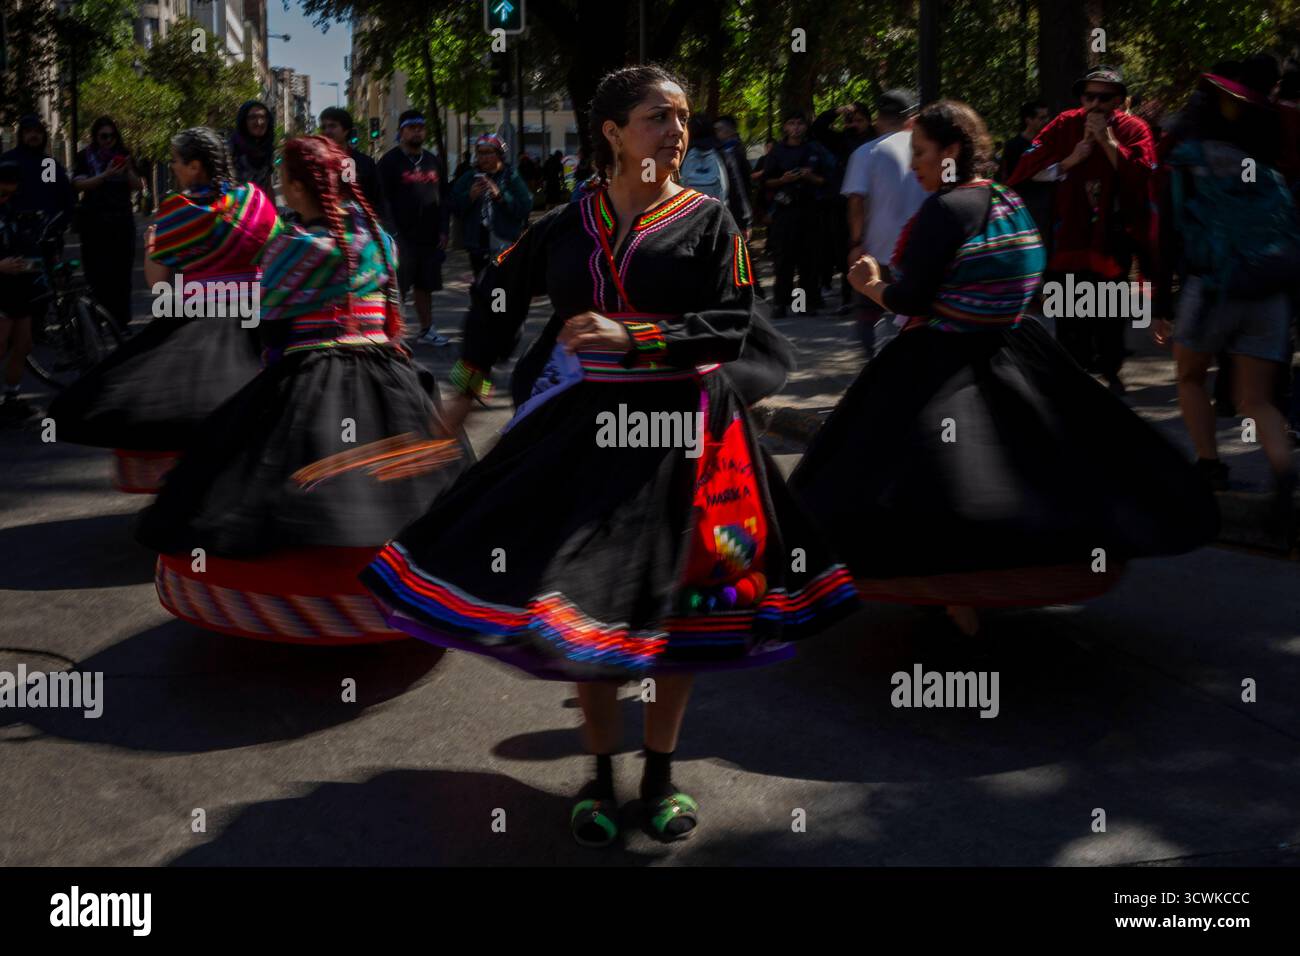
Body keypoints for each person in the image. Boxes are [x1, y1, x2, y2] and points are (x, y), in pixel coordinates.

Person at [360, 65, 857, 848]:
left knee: (682, 614)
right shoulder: (564, 224)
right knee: (581, 597)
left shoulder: (712, 221)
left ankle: (659, 774)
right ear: (615, 133)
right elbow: (499, 291)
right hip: (584, 430)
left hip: (689, 439)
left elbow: (729, 325)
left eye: (684, 118)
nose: (677, 131)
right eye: (659, 117)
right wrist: (466, 381)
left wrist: (636, 335)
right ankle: (597, 774)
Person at [792, 99, 1216, 637]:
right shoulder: (1003, 197)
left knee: (899, 475)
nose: (914, 164)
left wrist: (867, 283)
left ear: (950, 151)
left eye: (921, 153)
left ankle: (951, 595)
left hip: (938, 358)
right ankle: (971, 593)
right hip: (1014, 350)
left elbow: (910, 298)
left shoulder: (944, 211)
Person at [136, 135, 469, 643]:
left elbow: (271, 323)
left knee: (260, 481)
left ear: (294, 186)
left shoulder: (294, 247)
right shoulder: (379, 238)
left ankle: (301, 604)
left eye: (285, 179)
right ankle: (411, 596)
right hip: (388, 373)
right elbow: (389, 312)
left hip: (313, 371)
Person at [46, 128, 280, 493]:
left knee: (187, 405)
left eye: (175, 161)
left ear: (195, 166)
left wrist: (152, 244)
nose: (172, 167)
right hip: (258, 316)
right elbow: (276, 250)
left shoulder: (178, 210)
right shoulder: (254, 199)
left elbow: (157, 281)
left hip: (199, 317)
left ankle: (198, 487)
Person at [1153, 70, 1298, 521]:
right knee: (1257, 399)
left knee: (1191, 377)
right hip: (1268, 292)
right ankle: (1284, 473)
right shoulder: (1263, 168)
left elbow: (1167, 240)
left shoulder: (1185, 162)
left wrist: (1161, 307)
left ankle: (1209, 466)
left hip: (1212, 287)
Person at [1010, 66, 1157, 395]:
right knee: (1070, 309)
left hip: (1112, 235)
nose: (1095, 104)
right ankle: (1072, 374)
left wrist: (1108, 143)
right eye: (1088, 96)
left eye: (1104, 98)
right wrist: (1067, 162)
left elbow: (1143, 173)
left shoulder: (1134, 128)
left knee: (1108, 307)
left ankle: (1111, 369)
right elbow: (1024, 169)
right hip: (1069, 235)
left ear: (1118, 100)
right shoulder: (1064, 124)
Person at [841, 89, 928, 356]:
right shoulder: (929, 151)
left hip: (877, 250)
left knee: (870, 310)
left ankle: (876, 367)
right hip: (922, 249)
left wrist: (856, 242)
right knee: (917, 312)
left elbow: (856, 200)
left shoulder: (866, 153)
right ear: (912, 119)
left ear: (878, 119)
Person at [378, 110, 451, 347]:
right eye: (411, 127)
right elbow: (382, 201)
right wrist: (391, 233)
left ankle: (427, 329)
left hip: (429, 237)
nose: (417, 131)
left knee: (425, 286)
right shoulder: (389, 162)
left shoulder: (433, 161)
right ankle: (393, 334)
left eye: (420, 127)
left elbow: (443, 197)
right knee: (397, 288)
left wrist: (443, 229)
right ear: (401, 132)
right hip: (400, 238)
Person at [72, 116, 141, 333]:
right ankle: (98, 319)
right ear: (96, 137)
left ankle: (121, 320)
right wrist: (105, 175)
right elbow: (78, 183)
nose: (108, 140)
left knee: (121, 273)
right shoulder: (85, 156)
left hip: (121, 220)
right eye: (103, 136)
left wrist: (128, 169)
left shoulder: (124, 154)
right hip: (95, 222)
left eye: (111, 136)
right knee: (97, 274)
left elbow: (137, 185)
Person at [764, 109, 834, 317]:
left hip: (810, 210)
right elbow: (766, 181)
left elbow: (827, 180)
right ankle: (780, 303)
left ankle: (803, 304)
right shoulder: (777, 151)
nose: (796, 128)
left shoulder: (815, 149)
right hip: (785, 211)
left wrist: (810, 177)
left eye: (799, 124)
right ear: (785, 127)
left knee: (808, 261)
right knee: (784, 260)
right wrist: (783, 180)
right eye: (791, 123)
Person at [811, 102, 876, 312]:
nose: (856, 125)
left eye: (860, 120)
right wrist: (837, 111)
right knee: (843, 249)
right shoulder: (841, 141)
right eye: (852, 121)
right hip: (843, 202)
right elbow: (817, 128)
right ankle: (849, 296)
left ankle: (874, 293)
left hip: (871, 201)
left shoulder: (877, 139)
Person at [450, 133, 533, 280]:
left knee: (500, 286)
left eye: (488, 153)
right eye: (480, 153)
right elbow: (453, 206)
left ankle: (498, 304)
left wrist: (501, 196)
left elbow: (525, 206)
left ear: (499, 154)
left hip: (505, 241)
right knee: (482, 285)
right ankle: (484, 303)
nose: (483, 157)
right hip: (477, 244)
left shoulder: (511, 176)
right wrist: (469, 197)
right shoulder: (469, 177)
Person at [0, 160, 40, 422]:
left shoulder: (17, 206)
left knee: (23, 343)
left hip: (20, 284)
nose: (7, 196)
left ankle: (11, 398)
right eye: (3, 191)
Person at [1, 115, 75, 223]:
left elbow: (60, 197)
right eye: (29, 131)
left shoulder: (48, 164)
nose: (34, 135)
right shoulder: (8, 160)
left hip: (44, 230)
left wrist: (58, 223)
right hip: (14, 228)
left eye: (38, 131)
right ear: (21, 135)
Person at [319, 106, 388, 222]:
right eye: (324, 127)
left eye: (332, 126)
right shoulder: (315, 163)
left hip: (362, 232)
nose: (327, 131)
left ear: (346, 130)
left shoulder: (365, 163)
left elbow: (379, 200)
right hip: (326, 231)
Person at [229, 100, 276, 196]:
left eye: (263, 117)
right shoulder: (231, 147)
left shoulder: (267, 149)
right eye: (253, 117)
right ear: (243, 121)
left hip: (259, 207)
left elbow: (268, 185)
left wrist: (273, 210)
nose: (259, 122)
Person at [999, 100, 1050, 181]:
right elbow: (1007, 176)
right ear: (1028, 120)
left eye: (1047, 117)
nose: (1046, 121)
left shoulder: (1048, 142)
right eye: (1042, 118)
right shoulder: (1013, 146)